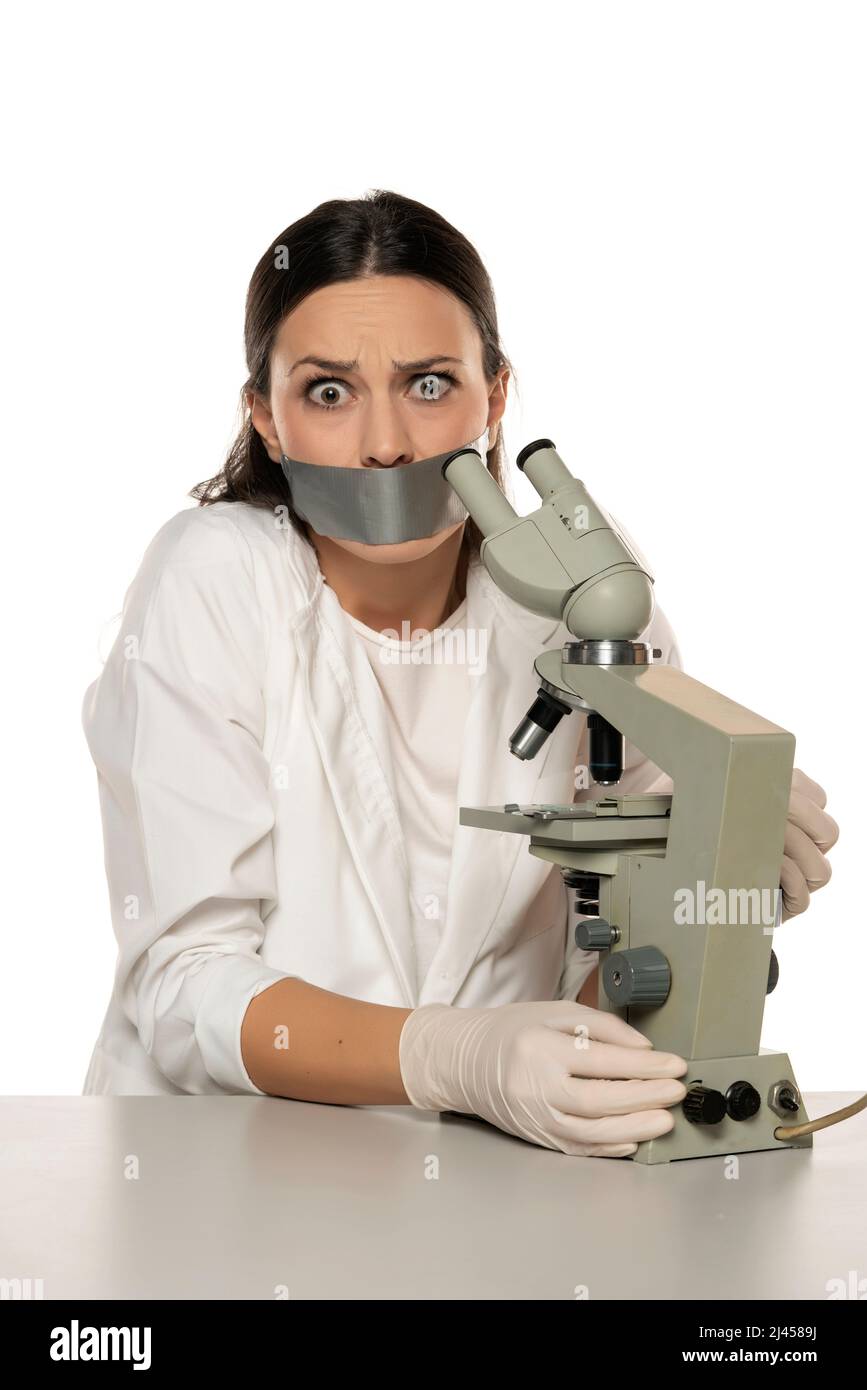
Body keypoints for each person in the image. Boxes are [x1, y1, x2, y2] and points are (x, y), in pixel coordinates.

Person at [81, 189, 839, 1157]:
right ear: (265, 420)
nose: (386, 442)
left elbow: (626, 938)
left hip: (499, 1165)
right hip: (227, 1165)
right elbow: (186, 979)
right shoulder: (216, 578)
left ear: (498, 399)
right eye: (328, 391)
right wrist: (448, 1056)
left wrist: (720, 885)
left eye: (429, 383)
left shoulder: (579, 587)